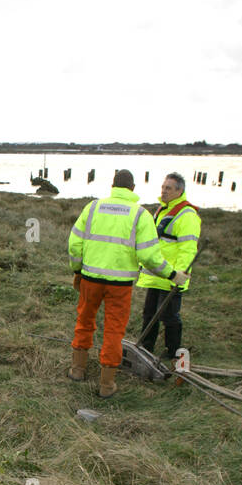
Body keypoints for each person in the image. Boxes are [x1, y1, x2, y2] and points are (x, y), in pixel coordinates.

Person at [68, 170, 180, 398]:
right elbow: (150, 257)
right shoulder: (140, 215)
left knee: (84, 321)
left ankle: (77, 370)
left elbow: (74, 244)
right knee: (113, 330)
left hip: (90, 279)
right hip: (120, 285)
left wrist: (77, 270)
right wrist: (171, 274)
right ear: (133, 188)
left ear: (113, 185)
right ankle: (106, 384)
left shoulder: (93, 208)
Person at [137, 173, 201, 360]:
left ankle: (173, 351)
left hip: (173, 276)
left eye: (169, 188)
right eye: (163, 187)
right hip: (158, 274)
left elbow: (188, 248)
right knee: (149, 314)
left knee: (169, 316)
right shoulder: (163, 211)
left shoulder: (187, 215)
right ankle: (146, 347)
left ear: (179, 191)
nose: (163, 191)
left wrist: (179, 275)